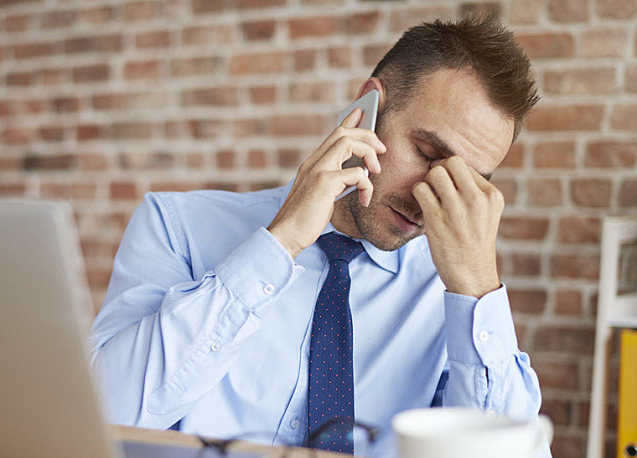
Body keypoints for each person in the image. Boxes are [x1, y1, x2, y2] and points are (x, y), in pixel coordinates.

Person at [89, 14, 548, 458]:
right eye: (428, 153)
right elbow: (105, 419)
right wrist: (280, 243)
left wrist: (477, 290)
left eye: (466, 181)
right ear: (367, 109)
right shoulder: (177, 227)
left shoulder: (452, 295)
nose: (430, 196)